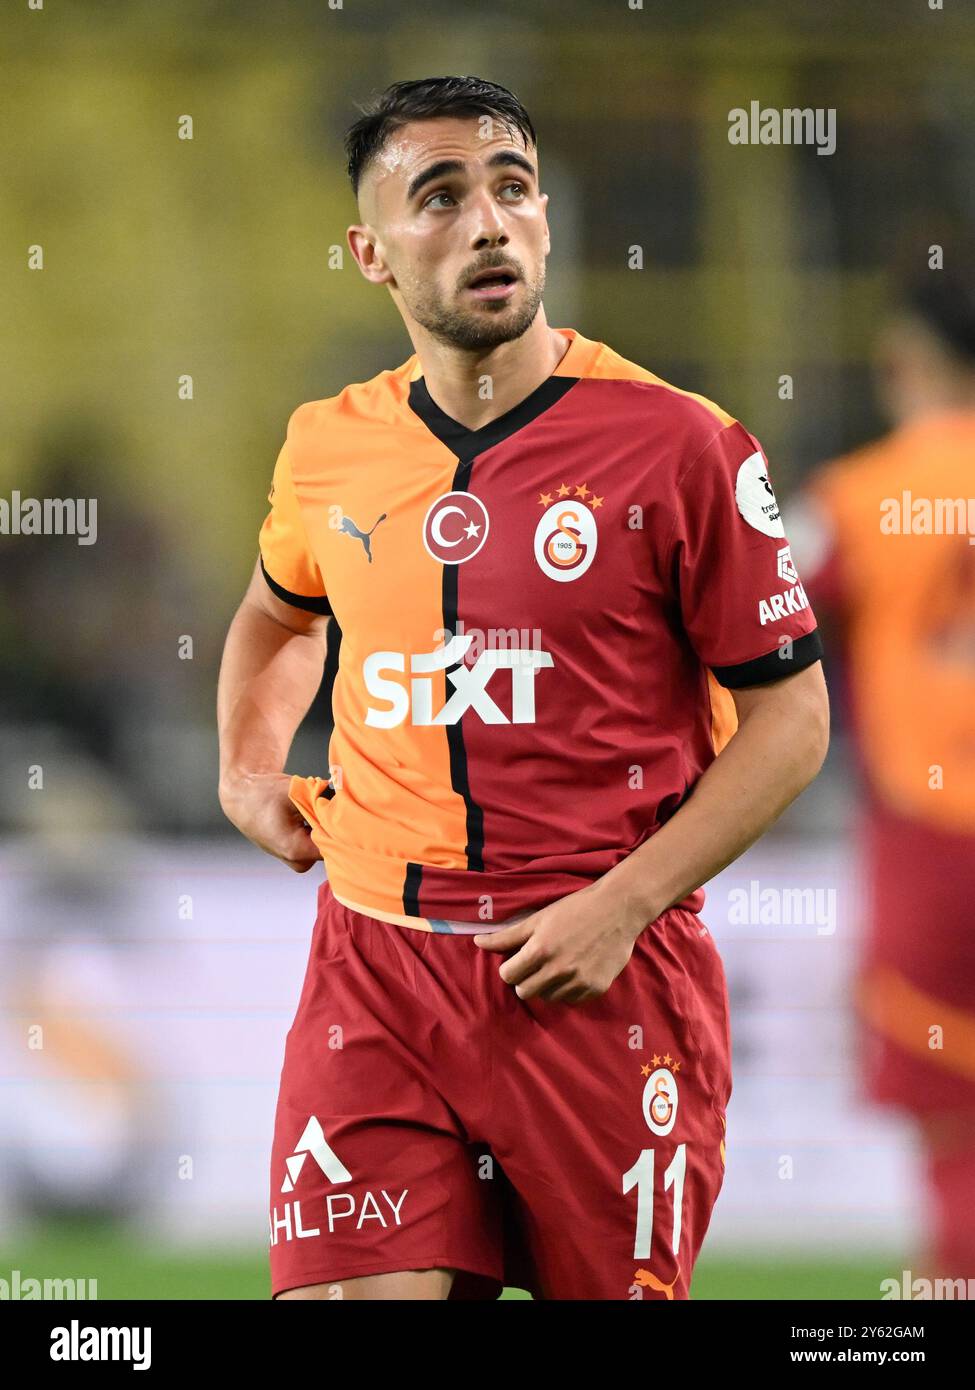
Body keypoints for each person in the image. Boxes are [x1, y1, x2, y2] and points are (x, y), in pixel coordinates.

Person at [216, 75, 829, 1301]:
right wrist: (244, 764)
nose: (488, 223)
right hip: (376, 969)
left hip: (597, 977)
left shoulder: (681, 444)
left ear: (545, 215)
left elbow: (792, 720)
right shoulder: (327, 446)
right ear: (371, 253)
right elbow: (279, 617)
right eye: (438, 198)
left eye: (510, 189)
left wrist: (624, 904)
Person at [794, 261, 975, 1286]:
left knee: (958, 1145)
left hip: (931, 850)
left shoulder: (857, 499)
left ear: (903, 363)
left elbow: (745, 629)